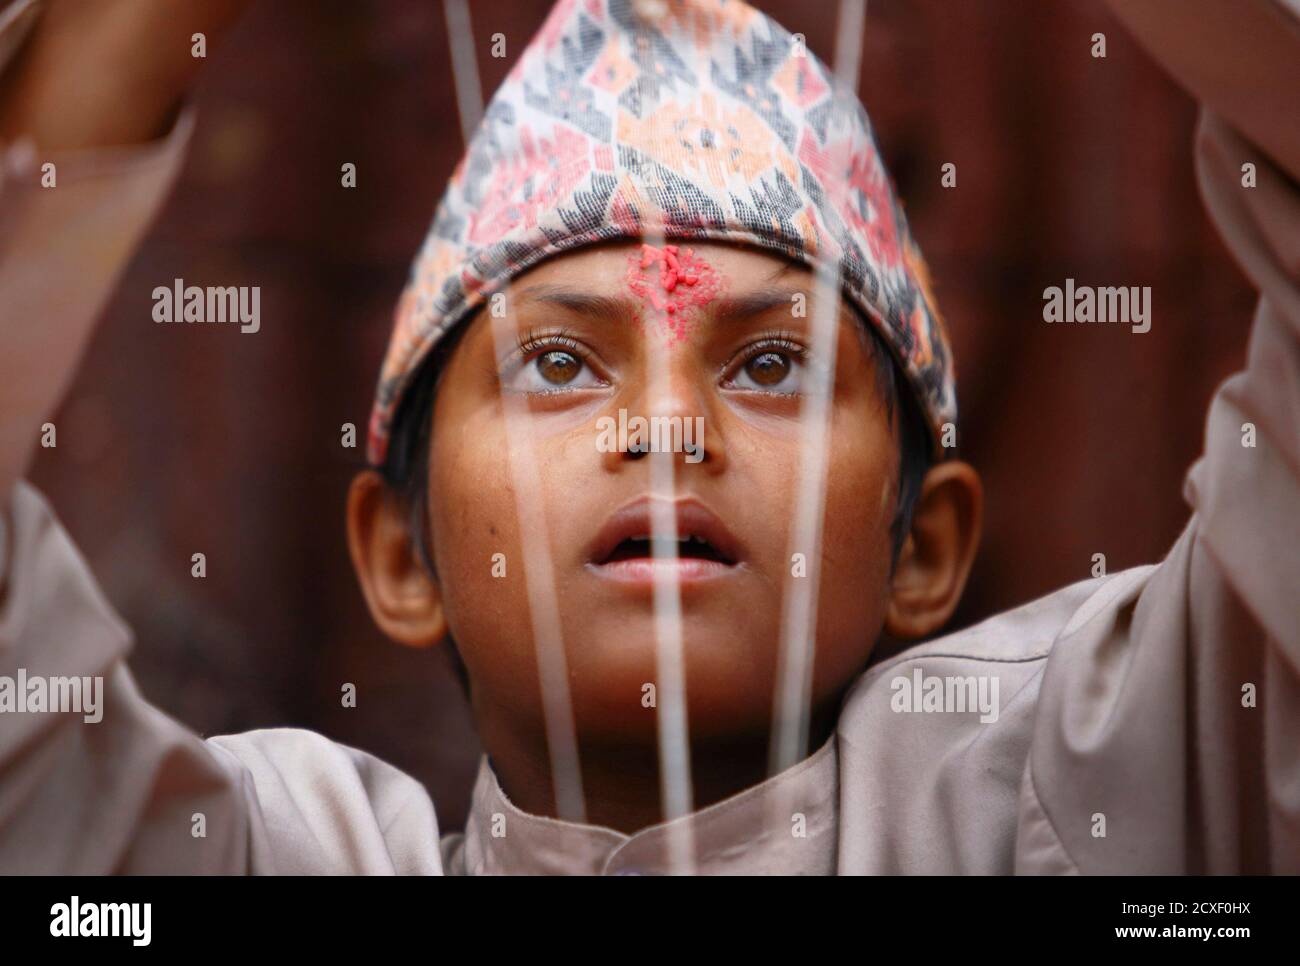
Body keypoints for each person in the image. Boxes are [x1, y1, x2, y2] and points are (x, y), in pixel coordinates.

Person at [0, 0, 1296, 875]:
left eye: (772, 362)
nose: (670, 427)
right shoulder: (275, 850)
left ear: (930, 542)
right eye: (556, 361)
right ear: (402, 550)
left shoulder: (1100, 788)